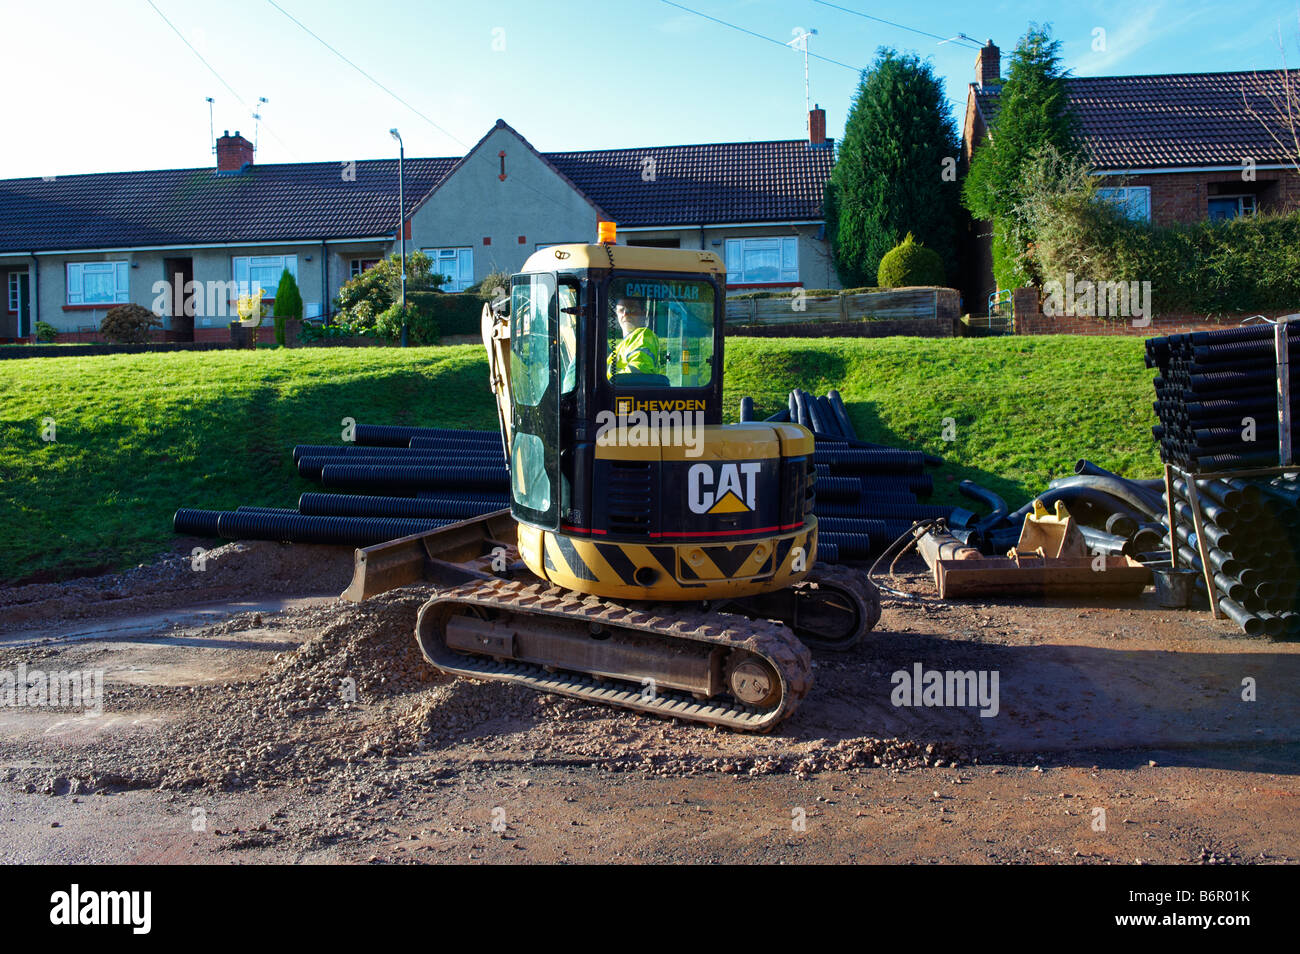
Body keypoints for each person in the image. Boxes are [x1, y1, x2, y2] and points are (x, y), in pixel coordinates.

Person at [607, 297, 664, 379]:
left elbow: (637, 373)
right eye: (621, 310)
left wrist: (609, 381)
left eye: (632, 309)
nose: (625, 314)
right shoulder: (621, 346)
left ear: (644, 314)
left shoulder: (644, 335)